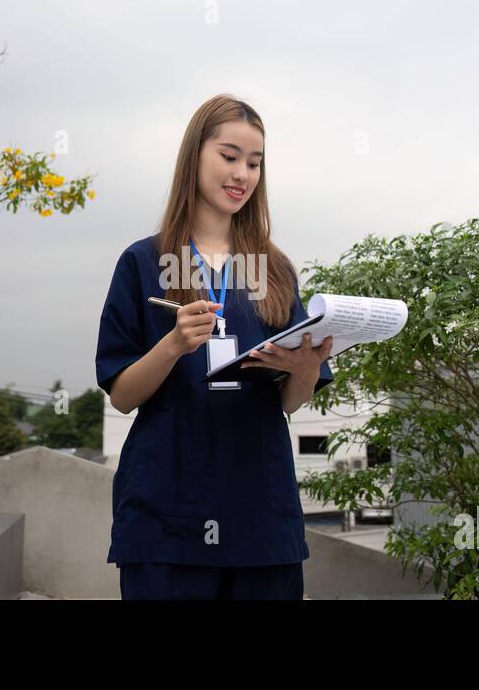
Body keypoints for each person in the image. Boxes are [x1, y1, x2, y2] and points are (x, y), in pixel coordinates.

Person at [95, 94, 335, 600]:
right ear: (195, 156)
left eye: (254, 163)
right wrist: (174, 344)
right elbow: (121, 395)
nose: (242, 174)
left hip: (260, 514)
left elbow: (288, 402)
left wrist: (306, 368)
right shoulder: (144, 261)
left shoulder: (275, 270)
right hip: (167, 511)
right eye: (229, 157)